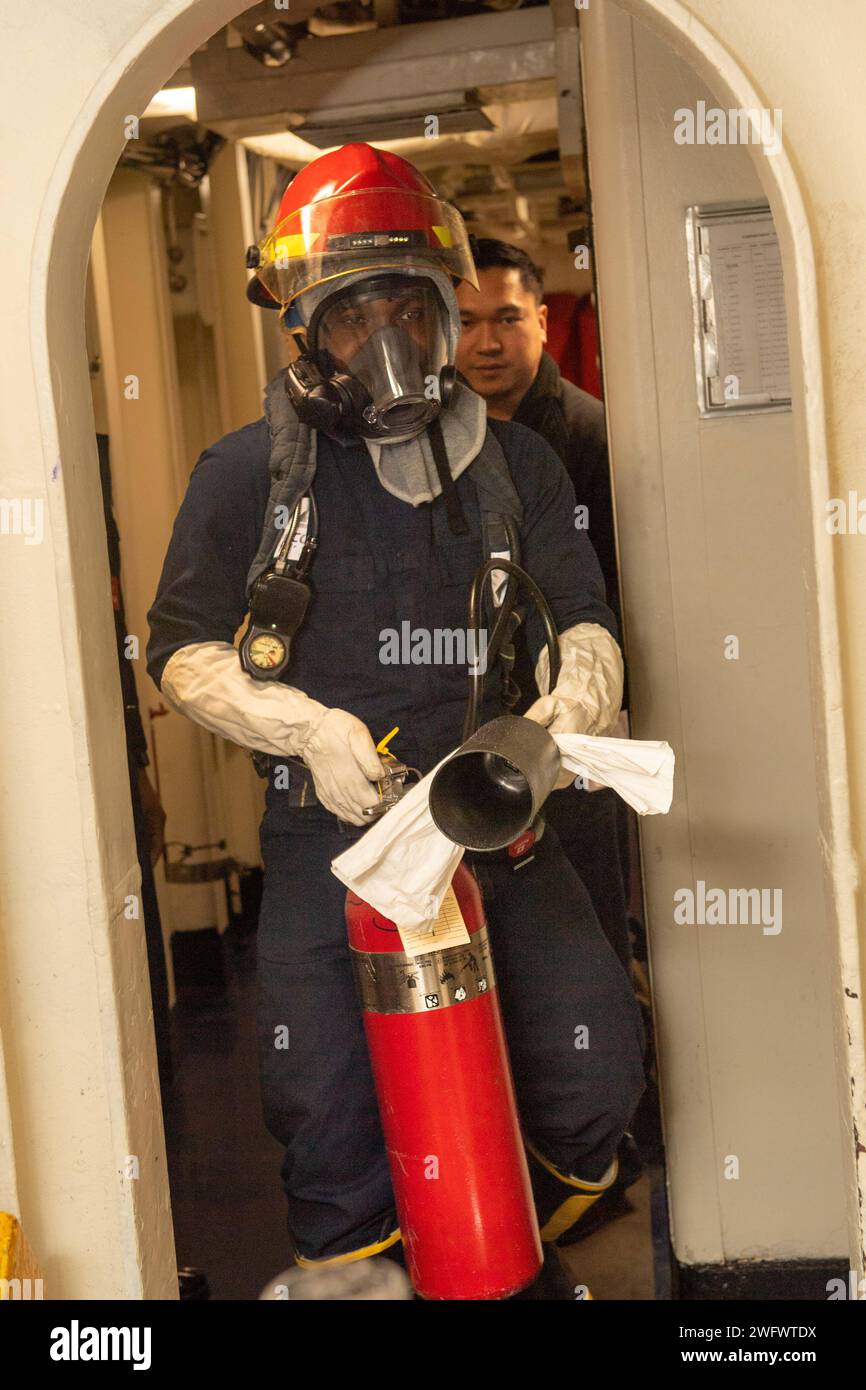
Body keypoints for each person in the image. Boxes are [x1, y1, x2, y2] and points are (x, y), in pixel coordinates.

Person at [146, 144, 644, 1298]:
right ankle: (393, 1273)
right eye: (349, 313)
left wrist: (568, 707)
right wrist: (308, 732)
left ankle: (491, 1237)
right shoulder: (244, 477)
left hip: (498, 822)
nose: (383, 341)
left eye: (403, 308)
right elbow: (181, 652)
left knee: (589, 1080)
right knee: (326, 1119)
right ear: (305, 331)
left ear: (439, 307)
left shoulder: (513, 461)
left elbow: (585, 616)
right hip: (332, 844)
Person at [455, 239, 634, 978]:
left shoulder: (595, 438)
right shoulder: (427, 450)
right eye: (466, 321)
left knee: (585, 933)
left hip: (576, 733)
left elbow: (618, 595)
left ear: (541, 319)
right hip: (471, 742)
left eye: (507, 319)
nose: (487, 342)